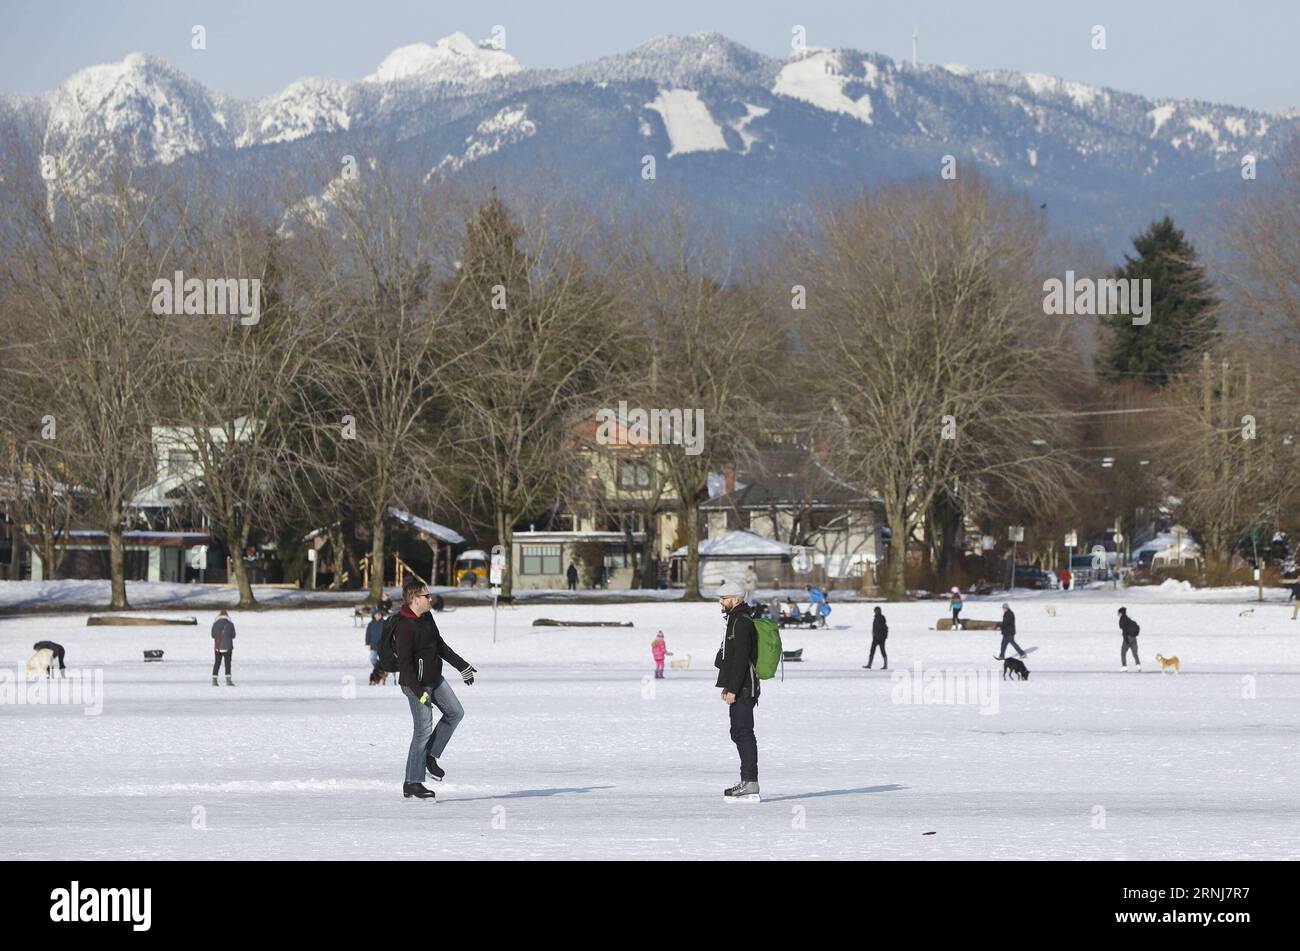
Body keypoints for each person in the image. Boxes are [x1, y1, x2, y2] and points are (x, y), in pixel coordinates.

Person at [395, 579, 477, 800]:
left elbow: (440, 646)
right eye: (426, 596)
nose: (430, 599)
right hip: (415, 685)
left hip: (434, 678)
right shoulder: (404, 626)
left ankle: (430, 755)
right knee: (422, 730)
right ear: (414, 599)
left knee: (455, 712)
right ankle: (412, 782)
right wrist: (418, 690)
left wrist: (462, 666)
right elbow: (404, 664)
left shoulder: (427, 618)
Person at [714, 578, 760, 802]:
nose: (720, 602)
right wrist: (726, 686)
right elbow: (729, 658)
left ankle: (750, 782)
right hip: (738, 687)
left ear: (735, 599)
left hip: (744, 688)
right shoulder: (733, 620)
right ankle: (747, 781)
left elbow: (741, 659)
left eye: (723, 599)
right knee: (738, 732)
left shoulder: (741, 622)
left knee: (744, 732)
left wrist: (733, 689)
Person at [211, 610, 235, 686]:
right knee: (227, 663)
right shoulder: (230, 624)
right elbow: (233, 635)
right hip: (228, 647)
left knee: (217, 663)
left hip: (218, 647)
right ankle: (228, 681)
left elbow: (213, 635)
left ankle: (214, 681)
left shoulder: (215, 624)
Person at [1118, 606, 1142, 671]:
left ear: (1121, 613)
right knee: (1135, 653)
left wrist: (1126, 639)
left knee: (1123, 652)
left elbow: (1124, 630)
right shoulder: (1129, 619)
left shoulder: (1122, 620)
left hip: (1128, 637)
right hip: (1134, 637)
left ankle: (1124, 667)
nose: (1118, 614)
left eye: (1119, 613)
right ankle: (1138, 666)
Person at [364, 608, 385, 677]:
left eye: (380, 614)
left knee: (382, 659)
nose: (378, 615)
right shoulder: (371, 624)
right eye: (377, 614)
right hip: (373, 645)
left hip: (383, 645)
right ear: (374, 615)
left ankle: (381, 670)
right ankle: (378, 669)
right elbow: (368, 634)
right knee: (372, 658)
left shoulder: (385, 623)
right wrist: (367, 642)